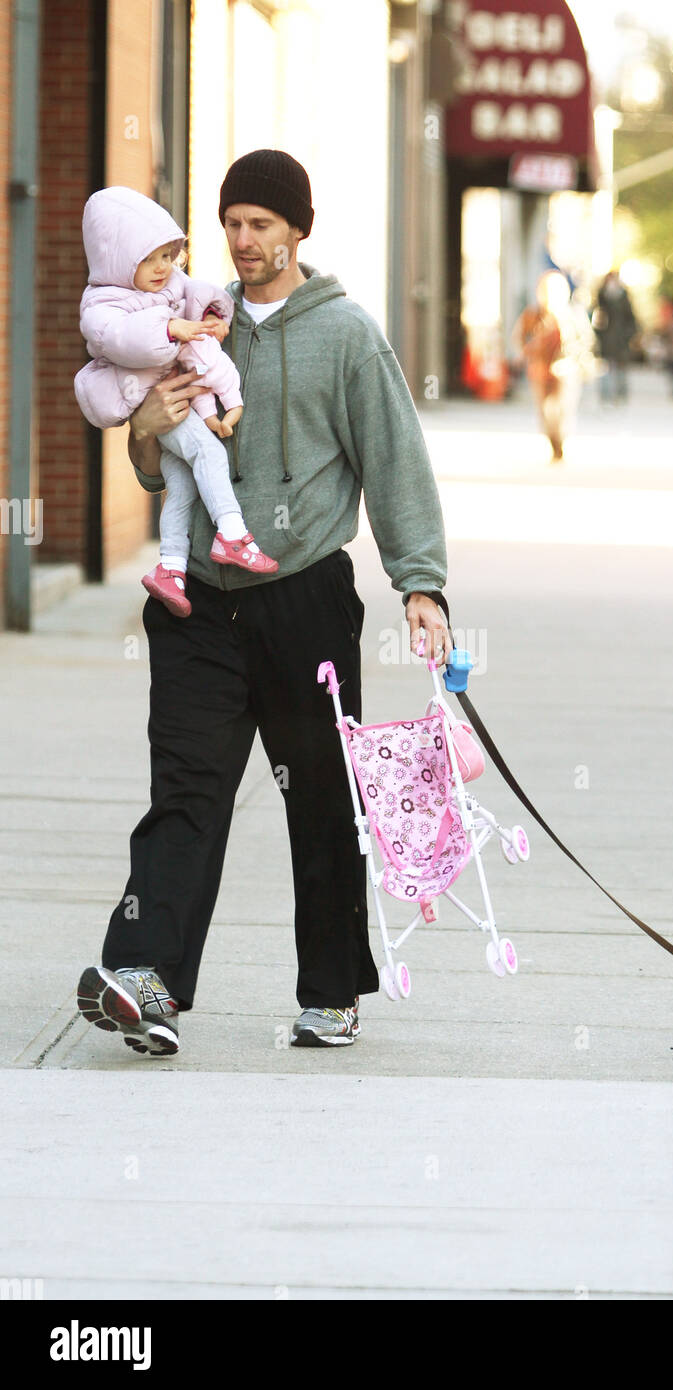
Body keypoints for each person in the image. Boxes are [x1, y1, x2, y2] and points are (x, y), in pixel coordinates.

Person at [75, 149, 451, 1053]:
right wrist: (143, 435)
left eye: (261, 225)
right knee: (185, 792)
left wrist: (421, 582)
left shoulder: (349, 334)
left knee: (321, 798)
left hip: (305, 598)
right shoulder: (193, 321)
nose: (243, 242)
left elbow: (394, 460)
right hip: (199, 598)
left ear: (297, 231)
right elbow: (149, 459)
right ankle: (148, 978)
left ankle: (331, 991)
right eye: (232, 223)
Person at [74, 186, 278, 617]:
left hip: (176, 393)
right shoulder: (102, 301)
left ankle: (170, 567)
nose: (164, 268)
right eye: (151, 258)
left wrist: (211, 317)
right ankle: (233, 534)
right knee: (208, 452)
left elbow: (198, 293)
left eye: (170, 256)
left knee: (182, 488)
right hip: (152, 396)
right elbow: (121, 338)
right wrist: (170, 329)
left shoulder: (169, 282)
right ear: (120, 260)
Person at [512, 275, 567, 460]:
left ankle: (560, 443)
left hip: (562, 372)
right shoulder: (532, 315)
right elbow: (519, 337)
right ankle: (554, 445)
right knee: (544, 411)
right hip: (539, 371)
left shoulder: (565, 316)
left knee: (558, 409)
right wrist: (526, 353)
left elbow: (578, 342)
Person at [592, 270, 637, 405]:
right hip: (606, 339)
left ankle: (621, 395)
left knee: (621, 368)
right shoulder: (601, 297)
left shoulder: (623, 297)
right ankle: (605, 396)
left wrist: (627, 335)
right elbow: (596, 317)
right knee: (605, 367)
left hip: (621, 340)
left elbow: (631, 319)